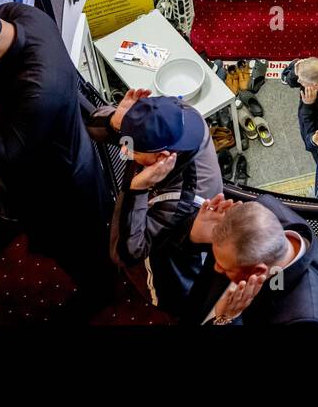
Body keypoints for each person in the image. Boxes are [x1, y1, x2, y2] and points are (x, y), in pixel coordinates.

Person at [0, 3, 115, 319]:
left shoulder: (38, 90)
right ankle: (6, 212)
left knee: (77, 251)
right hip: (29, 149)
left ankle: (98, 292)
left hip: (61, 187)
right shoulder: (20, 15)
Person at [87, 88, 222, 317]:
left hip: (171, 263)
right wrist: (115, 121)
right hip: (166, 224)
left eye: (133, 149)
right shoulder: (183, 115)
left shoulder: (179, 201)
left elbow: (126, 253)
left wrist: (137, 189)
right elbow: (91, 125)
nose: (124, 151)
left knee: (168, 296)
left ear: (162, 158)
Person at [184, 193, 318, 325]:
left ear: (258, 271)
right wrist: (194, 237)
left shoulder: (304, 318)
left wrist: (226, 318)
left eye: (224, 268)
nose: (216, 268)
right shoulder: (262, 208)